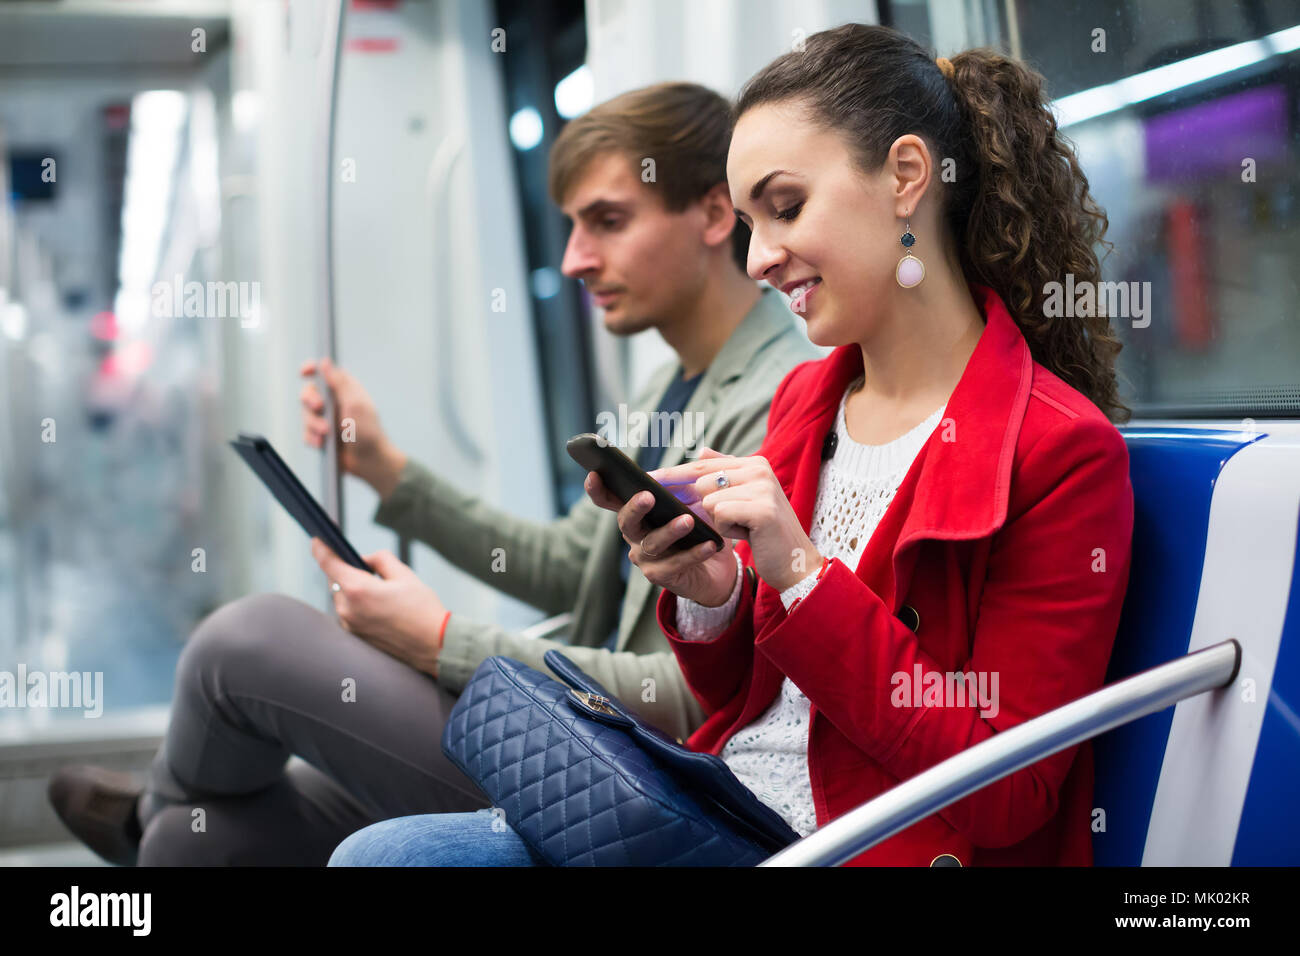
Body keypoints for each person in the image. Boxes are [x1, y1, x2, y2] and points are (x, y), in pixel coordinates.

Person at [329, 23, 1134, 867]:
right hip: (723, 805)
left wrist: (800, 576)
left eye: (785, 208)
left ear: (905, 178)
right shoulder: (805, 402)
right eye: (748, 222)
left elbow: (1007, 792)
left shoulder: (1058, 453)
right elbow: (750, 698)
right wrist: (712, 596)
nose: (758, 259)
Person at [47, 81, 819, 866]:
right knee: (196, 842)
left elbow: (691, 692)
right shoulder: (667, 386)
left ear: (716, 215)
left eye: (608, 223)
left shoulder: (775, 400)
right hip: (578, 732)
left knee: (244, 642)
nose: (574, 259)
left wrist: (440, 640)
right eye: (573, 226)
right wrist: (391, 476)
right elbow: (571, 569)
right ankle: (158, 818)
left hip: (638, 777)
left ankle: (151, 807)